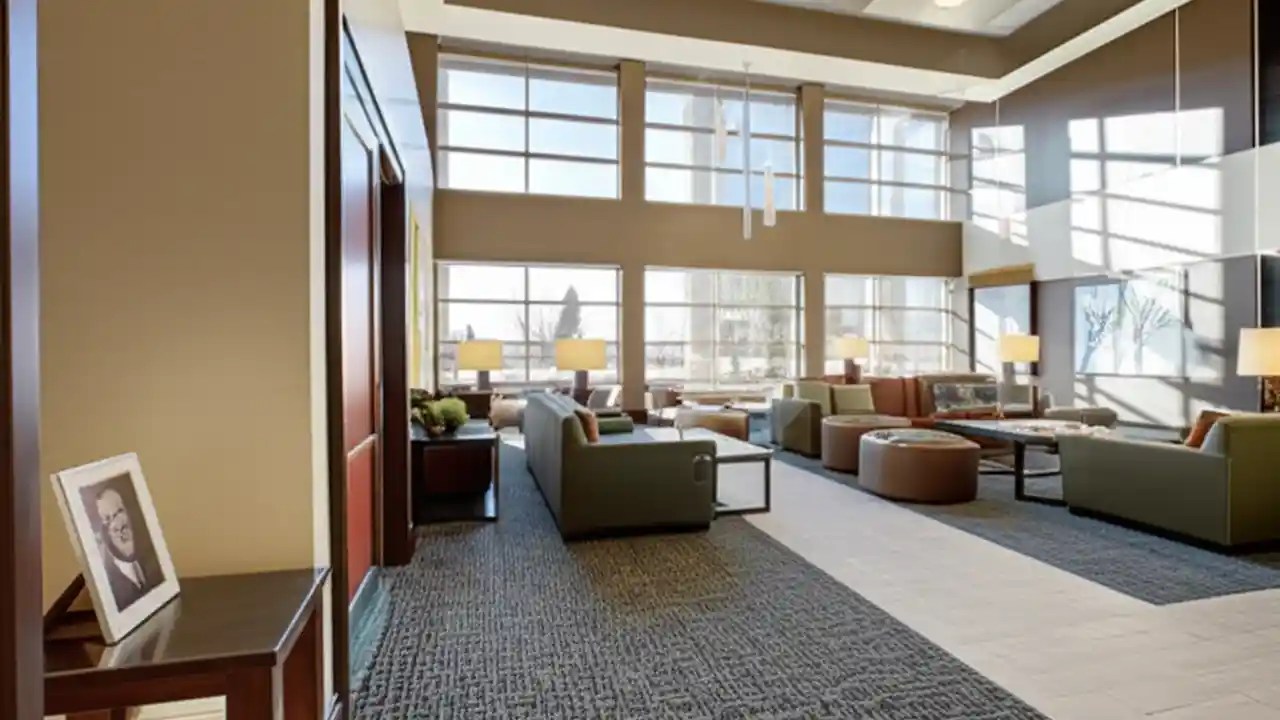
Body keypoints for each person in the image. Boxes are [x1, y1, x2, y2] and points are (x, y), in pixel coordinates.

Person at [94, 486, 161, 610]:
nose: (118, 524)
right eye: (107, 519)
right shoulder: (109, 587)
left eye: (120, 511)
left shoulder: (155, 555)